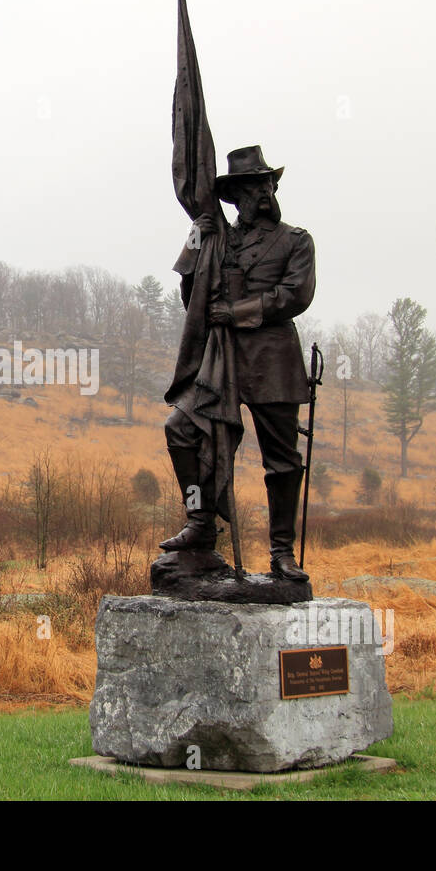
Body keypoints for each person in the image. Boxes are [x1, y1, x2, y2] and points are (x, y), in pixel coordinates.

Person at [160, 145, 316, 582]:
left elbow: (296, 294)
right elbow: (192, 293)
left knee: (282, 461)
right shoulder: (220, 241)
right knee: (180, 429)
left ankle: (282, 552)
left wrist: (237, 311)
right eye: (250, 188)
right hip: (222, 361)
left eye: (265, 185)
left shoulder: (296, 240)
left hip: (273, 362)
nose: (260, 194)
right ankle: (199, 521)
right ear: (236, 196)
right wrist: (196, 236)